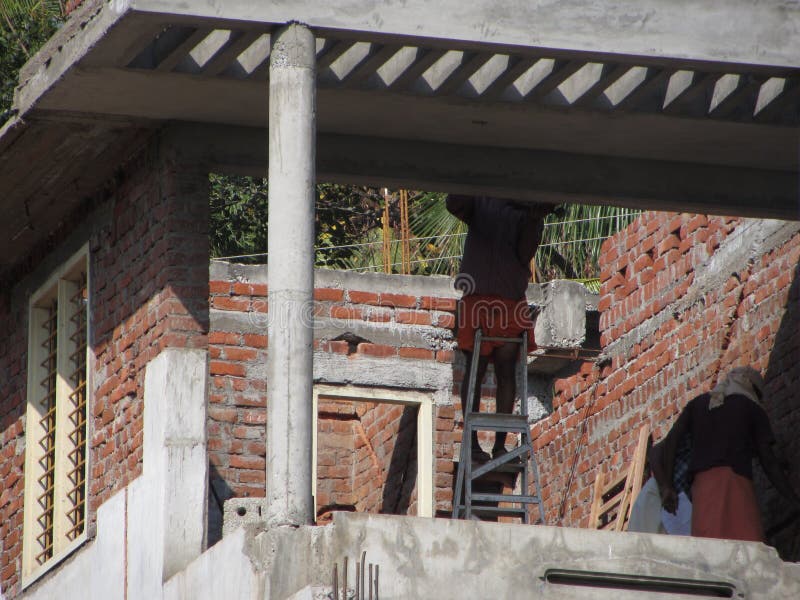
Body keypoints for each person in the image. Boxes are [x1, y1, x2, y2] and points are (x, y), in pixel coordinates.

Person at [446, 194, 551, 462]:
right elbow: (454, 203)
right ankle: (471, 444)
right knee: (476, 369)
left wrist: (533, 218)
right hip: (479, 295)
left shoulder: (526, 209)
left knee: (505, 370)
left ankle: (500, 446)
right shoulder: (482, 199)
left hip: (509, 297)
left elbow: (525, 253)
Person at [661, 366, 800, 542]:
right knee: (748, 546)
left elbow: (670, 441)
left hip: (702, 489)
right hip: (735, 483)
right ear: (751, 388)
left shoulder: (698, 404)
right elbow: (768, 461)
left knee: (710, 547)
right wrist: (793, 499)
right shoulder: (750, 407)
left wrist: (667, 486)